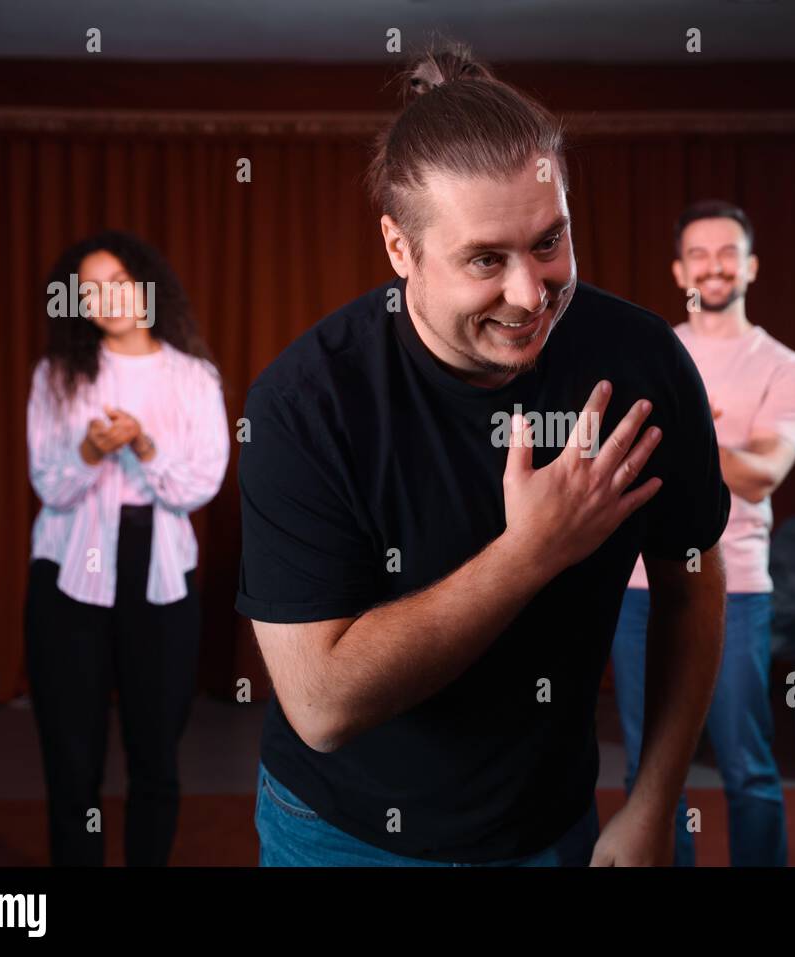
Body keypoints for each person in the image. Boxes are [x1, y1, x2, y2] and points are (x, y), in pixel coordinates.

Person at [237, 43, 731, 867]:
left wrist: (652, 802)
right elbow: (320, 703)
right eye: (485, 260)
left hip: (549, 827)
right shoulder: (303, 405)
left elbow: (692, 588)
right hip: (340, 837)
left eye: (549, 242)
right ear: (401, 250)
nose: (531, 294)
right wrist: (530, 552)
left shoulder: (641, 363)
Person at [611, 200, 795, 866]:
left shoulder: (786, 366)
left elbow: (761, 474)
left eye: (728, 252)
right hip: (638, 588)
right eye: (698, 253)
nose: (714, 266)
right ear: (678, 270)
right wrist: (718, 440)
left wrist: (669, 439)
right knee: (649, 769)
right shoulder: (649, 355)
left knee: (747, 766)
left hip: (736, 589)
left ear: (750, 266)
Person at [24, 231, 229, 865]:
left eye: (117, 281)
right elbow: (49, 485)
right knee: (71, 761)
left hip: (159, 578)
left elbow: (200, 484)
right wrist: (91, 450)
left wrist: (141, 445)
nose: (107, 298)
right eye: (90, 289)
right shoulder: (57, 376)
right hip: (68, 578)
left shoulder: (193, 376)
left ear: (145, 285)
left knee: (156, 757)